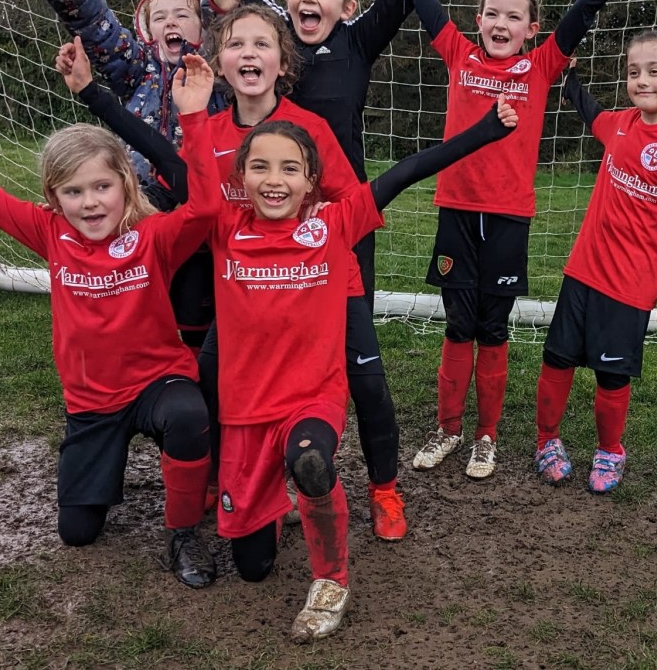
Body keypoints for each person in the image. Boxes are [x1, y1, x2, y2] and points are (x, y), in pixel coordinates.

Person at [155, 0, 504, 526]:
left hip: (336, 237)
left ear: (344, 7)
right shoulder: (269, 46)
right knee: (224, 364)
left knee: (363, 372)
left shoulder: (357, 43)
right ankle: (220, 476)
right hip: (260, 244)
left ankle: (383, 488)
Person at [182, 59, 517, 640]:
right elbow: (195, 182)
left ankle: (330, 579)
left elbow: (408, 171)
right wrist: (191, 117)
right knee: (252, 567)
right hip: (245, 412)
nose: (274, 179)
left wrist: (486, 129)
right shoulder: (224, 228)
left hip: (310, 399)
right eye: (259, 167)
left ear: (312, 180)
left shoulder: (333, 223)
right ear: (242, 178)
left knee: (312, 464)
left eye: (290, 168)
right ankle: (271, 508)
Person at [348, 0, 657, 478]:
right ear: (479, 21)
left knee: (493, 329)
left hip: (508, 219)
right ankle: (448, 428)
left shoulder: (544, 64)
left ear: (532, 28)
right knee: (457, 325)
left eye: (513, 16)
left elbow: (588, 3)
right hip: (454, 211)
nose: (500, 24)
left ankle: (486, 437)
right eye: (491, 13)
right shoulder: (457, 52)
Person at [57, 5, 411, 541]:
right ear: (220, 62)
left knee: (368, 388)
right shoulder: (209, 130)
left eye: (262, 44)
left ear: (281, 62)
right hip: (248, 296)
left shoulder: (309, 128)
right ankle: (231, 481)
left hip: (327, 289)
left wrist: (316, 214)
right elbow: (162, 155)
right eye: (236, 43)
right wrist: (91, 94)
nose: (250, 53)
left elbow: (348, 198)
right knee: (214, 384)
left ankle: (384, 491)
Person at [0, 34, 221, 588]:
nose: (91, 202)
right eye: (74, 192)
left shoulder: (152, 237)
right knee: (78, 532)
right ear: (55, 200)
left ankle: (182, 534)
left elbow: (206, 205)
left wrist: (194, 118)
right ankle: (106, 474)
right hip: (92, 400)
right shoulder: (49, 233)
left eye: (102, 186)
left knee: (189, 415)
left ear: (125, 187)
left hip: (157, 381)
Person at [30, 0, 244, 350]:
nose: (171, 22)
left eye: (183, 14)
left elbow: (231, 40)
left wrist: (219, 11)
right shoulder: (137, 69)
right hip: (143, 194)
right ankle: (123, 340)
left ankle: (204, 354)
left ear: (202, 29)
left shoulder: (215, 75)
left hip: (199, 194)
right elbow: (101, 29)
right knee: (137, 270)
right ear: (147, 31)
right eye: (159, 17)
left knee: (199, 290)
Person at [532, 34, 657, 493]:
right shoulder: (620, 124)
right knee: (557, 358)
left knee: (612, 373)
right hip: (582, 271)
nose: (641, 79)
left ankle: (610, 451)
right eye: (633, 71)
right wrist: (567, 76)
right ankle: (546, 439)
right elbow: (588, 110)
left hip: (629, 285)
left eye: (654, 71)